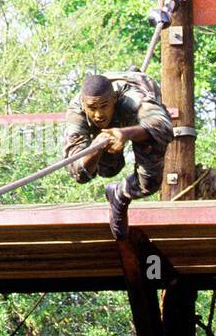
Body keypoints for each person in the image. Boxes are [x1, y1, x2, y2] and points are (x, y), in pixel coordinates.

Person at [63, 71, 173, 240]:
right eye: (92, 108)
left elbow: (165, 127)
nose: (99, 115)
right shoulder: (76, 111)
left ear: (113, 99)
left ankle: (119, 193)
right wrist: (97, 146)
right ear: (84, 105)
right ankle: (107, 148)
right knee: (108, 169)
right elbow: (78, 172)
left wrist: (125, 134)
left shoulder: (132, 98)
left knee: (149, 184)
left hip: (139, 112)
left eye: (104, 106)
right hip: (112, 124)